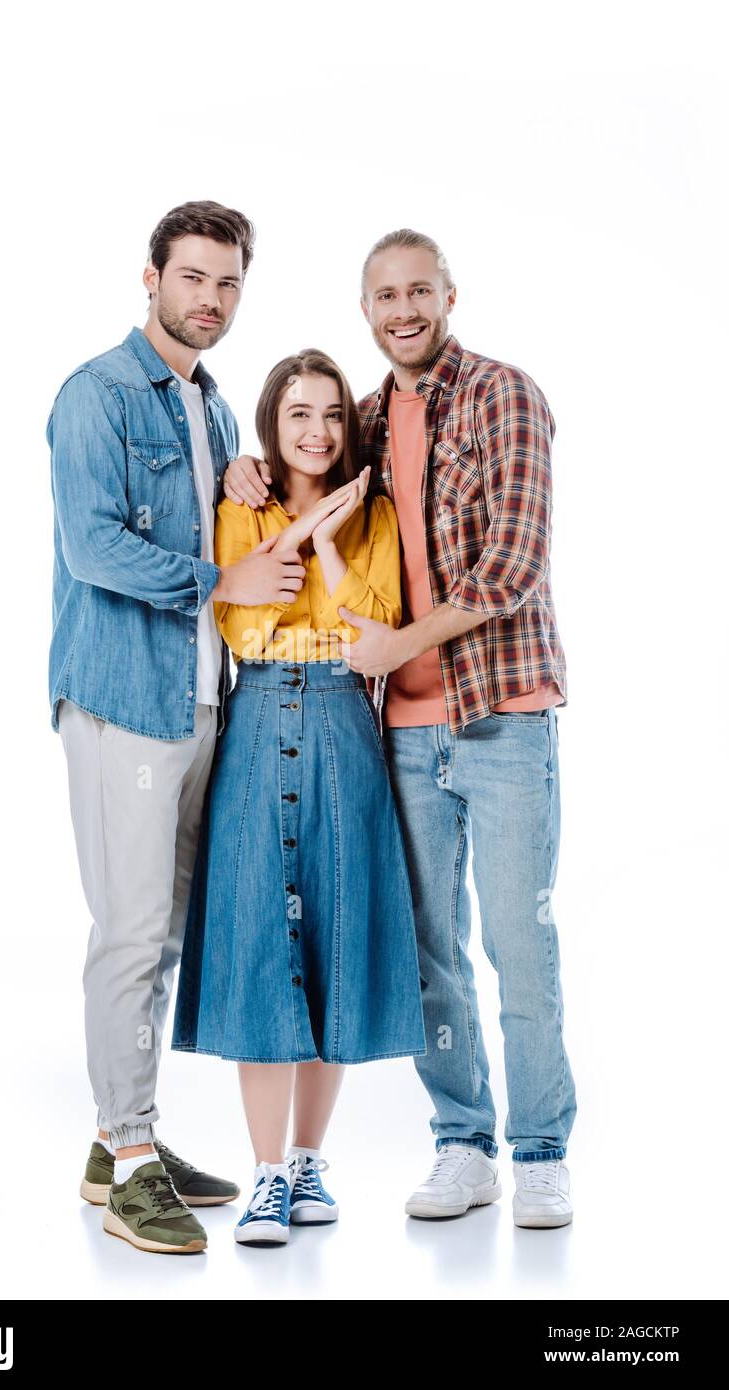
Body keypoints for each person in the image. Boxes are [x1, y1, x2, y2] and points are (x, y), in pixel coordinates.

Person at [222, 230, 577, 1230]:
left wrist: (392, 645)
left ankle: (541, 1149)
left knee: (519, 942)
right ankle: (462, 1143)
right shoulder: (369, 418)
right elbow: (305, 456)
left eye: (419, 290)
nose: (403, 308)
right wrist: (246, 471)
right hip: (402, 735)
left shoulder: (506, 396)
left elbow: (508, 572)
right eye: (384, 295)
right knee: (432, 952)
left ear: (449, 295)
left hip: (500, 715)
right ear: (368, 309)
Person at [48, 200, 311, 1255]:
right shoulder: (96, 395)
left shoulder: (207, 410)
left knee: (161, 934)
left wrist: (243, 483)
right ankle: (136, 1160)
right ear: (150, 276)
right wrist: (220, 573)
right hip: (125, 699)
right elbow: (94, 549)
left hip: (204, 700)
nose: (210, 299)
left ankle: (121, 1145)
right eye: (193, 277)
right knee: (128, 931)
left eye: (228, 283)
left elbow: (216, 519)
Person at [171, 349, 427, 1246]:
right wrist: (299, 532)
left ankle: (311, 1163)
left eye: (328, 414)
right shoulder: (237, 504)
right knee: (255, 939)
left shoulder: (379, 515)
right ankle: (267, 1176)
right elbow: (241, 620)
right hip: (258, 717)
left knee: (330, 935)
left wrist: (320, 543)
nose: (315, 431)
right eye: (296, 415)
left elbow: (374, 627)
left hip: (343, 726)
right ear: (270, 425)